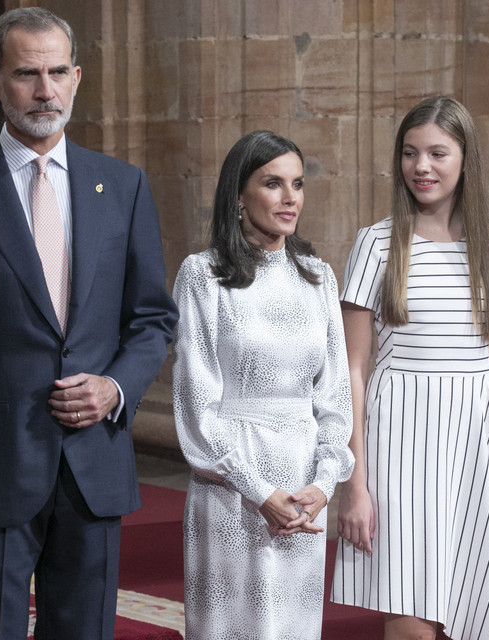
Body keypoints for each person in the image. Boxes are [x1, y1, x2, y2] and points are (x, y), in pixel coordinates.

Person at [0, 7, 177, 640]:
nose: (45, 90)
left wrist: (115, 388)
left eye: (57, 72)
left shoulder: (124, 186)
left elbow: (153, 318)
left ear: (77, 77)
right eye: (28, 74)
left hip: (93, 471)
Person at [331, 96, 489, 639]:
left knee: (482, 611)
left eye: (436, 153)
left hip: (478, 440)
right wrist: (355, 482)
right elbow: (352, 369)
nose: (421, 167)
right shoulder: (376, 244)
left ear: (465, 158)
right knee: (411, 616)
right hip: (399, 443)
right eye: (409, 153)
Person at [172, 130, 354, 639]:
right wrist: (259, 491)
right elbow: (194, 404)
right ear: (238, 195)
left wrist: (321, 485)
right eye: (273, 183)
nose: (290, 197)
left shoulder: (319, 277)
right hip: (232, 487)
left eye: (297, 184)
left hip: (301, 494)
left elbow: (336, 397)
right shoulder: (202, 276)